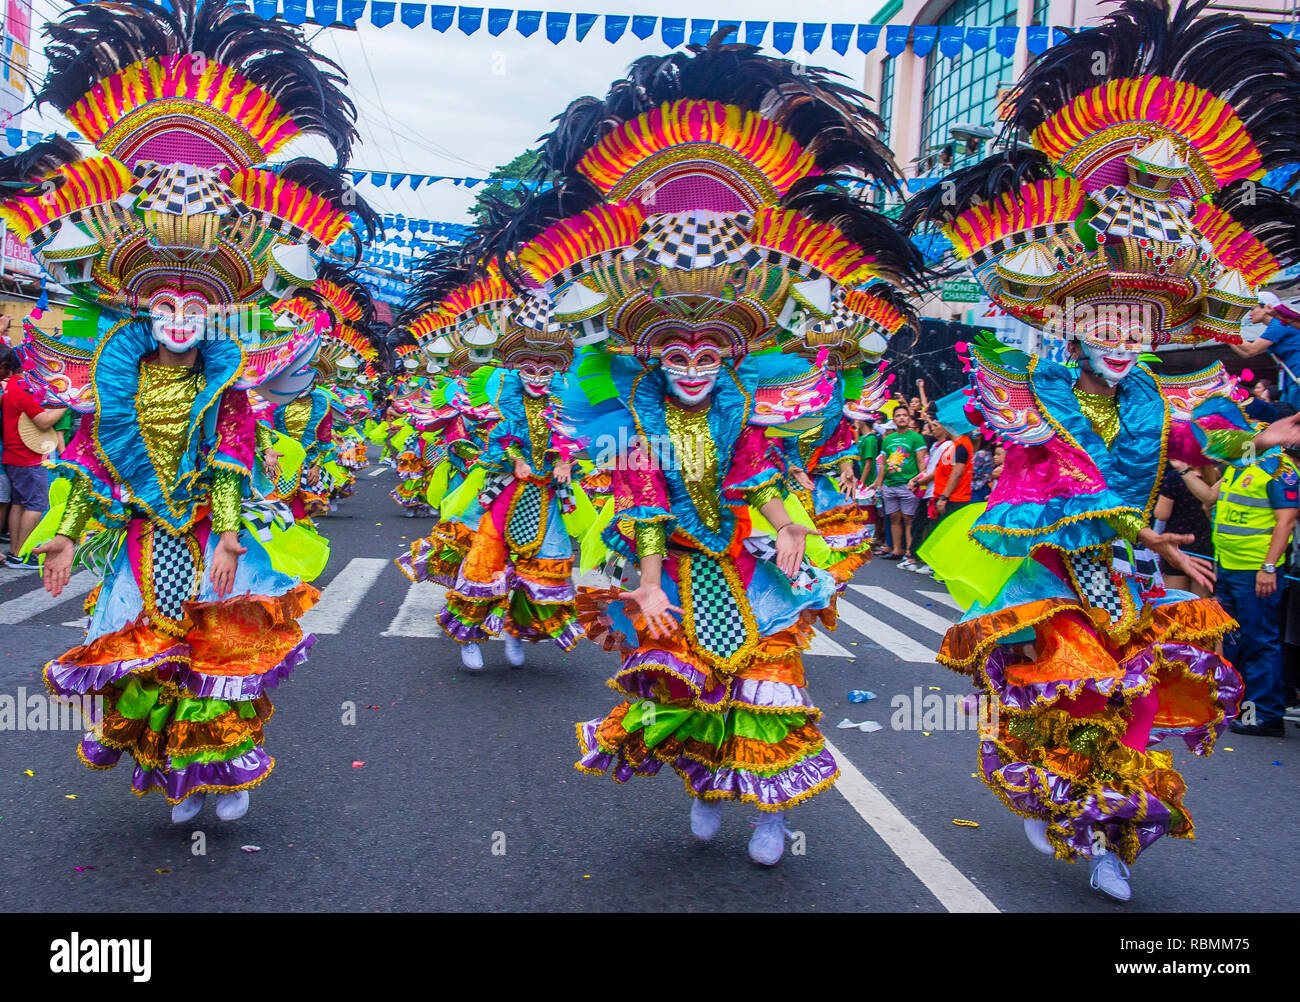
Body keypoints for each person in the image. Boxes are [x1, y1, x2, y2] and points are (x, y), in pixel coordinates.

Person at [901, 0, 1300, 902]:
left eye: (1141, 320)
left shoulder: (1171, 395)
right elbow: (1067, 486)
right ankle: (1056, 800)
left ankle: (1113, 840)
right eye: (1103, 316)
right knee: (1070, 693)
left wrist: (1269, 427)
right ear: (1071, 321)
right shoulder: (1035, 392)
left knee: (1135, 710)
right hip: (1055, 575)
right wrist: (1160, 542)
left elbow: (1236, 445)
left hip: (1133, 579)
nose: (1122, 333)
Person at [1, 0, 369, 823]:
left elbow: (234, 456)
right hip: (140, 543)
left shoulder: (230, 386)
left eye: (193, 303)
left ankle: (222, 766)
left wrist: (233, 530)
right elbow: (93, 465)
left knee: (217, 655)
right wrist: (63, 531)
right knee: (146, 660)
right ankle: (173, 767)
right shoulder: (113, 380)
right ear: (140, 307)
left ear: (215, 311)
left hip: (208, 534)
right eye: (162, 300)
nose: (177, 315)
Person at [1195, 450, 1299, 737]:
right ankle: (1240, 707)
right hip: (1228, 567)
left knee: (1259, 641)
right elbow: (1212, 499)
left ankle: (1265, 714)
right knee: (1233, 640)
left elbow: (1287, 520)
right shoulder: (1238, 463)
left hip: (1256, 571)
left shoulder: (1277, 467)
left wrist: (1268, 566)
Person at [1, 344, 66, 568]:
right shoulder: (22, 387)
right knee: (35, 504)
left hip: (14, 454)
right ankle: (22, 554)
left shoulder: (11, 385)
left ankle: (15, 554)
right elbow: (43, 421)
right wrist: (68, 402)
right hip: (26, 455)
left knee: (20, 504)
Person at [872, 407, 928, 564]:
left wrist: (919, 480)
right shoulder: (888, 439)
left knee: (909, 518)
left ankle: (910, 551)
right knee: (894, 518)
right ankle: (897, 549)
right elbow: (883, 463)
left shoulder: (917, 438)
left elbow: (921, 462)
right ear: (894, 420)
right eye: (898, 415)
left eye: (904, 415)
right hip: (890, 484)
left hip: (908, 484)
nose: (902, 418)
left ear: (909, 418)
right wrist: (879, 483)